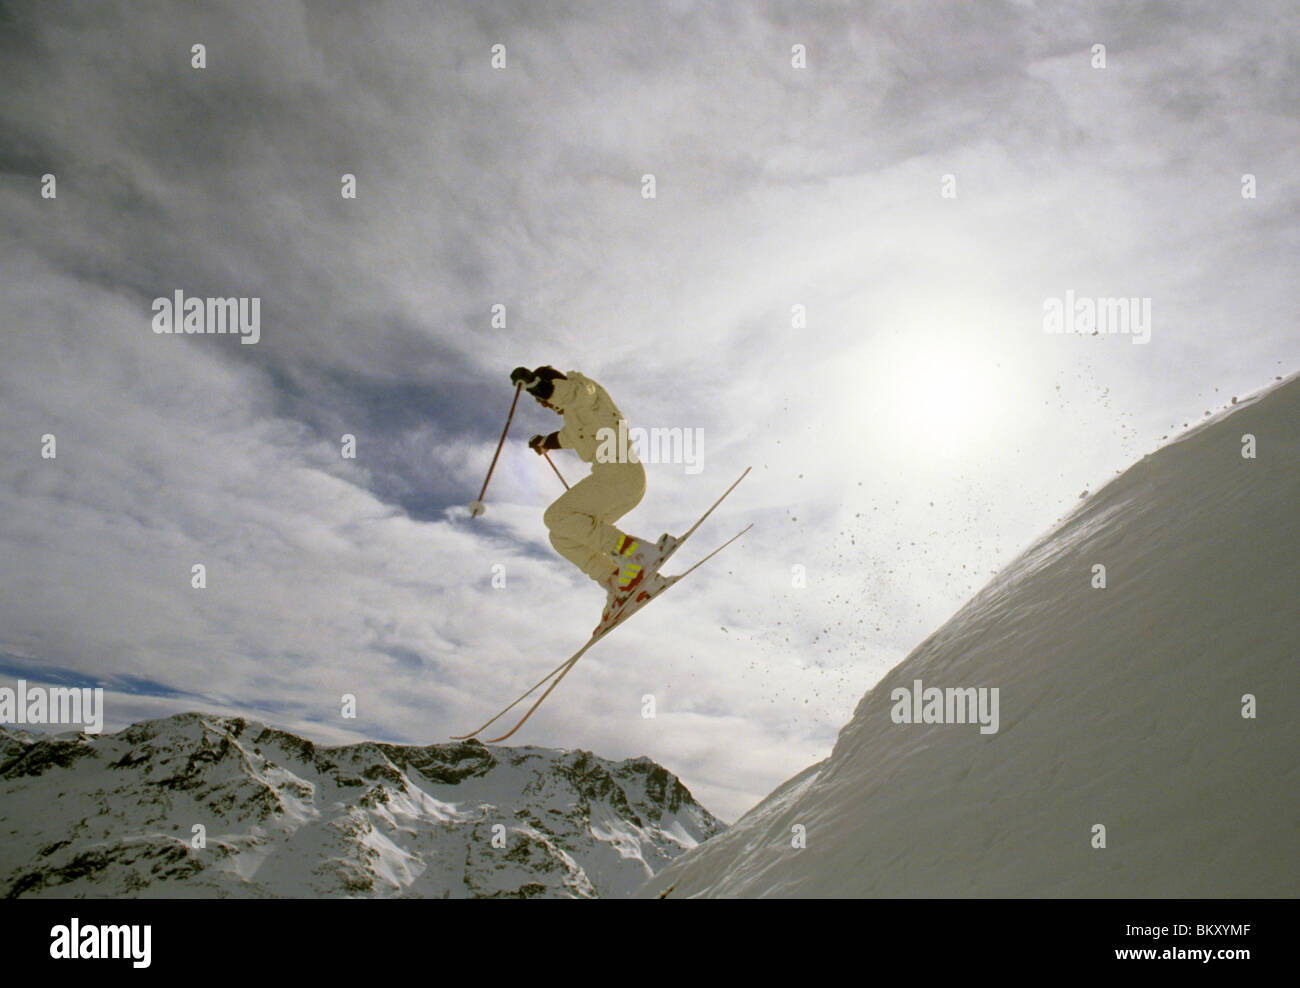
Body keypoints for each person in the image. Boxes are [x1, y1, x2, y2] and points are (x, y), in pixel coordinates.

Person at [510, 365, 667, 609]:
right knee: (561, 536)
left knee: (555, 516)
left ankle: (634, 554)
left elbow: (573, 394)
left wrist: (535, 385)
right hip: (617, 482)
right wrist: (544, 442)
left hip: (620, 473)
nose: (544, 405)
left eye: (542, 399)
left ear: (553, 385)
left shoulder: (586, 392)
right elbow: (565, 437)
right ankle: (616, 581)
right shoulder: (575, 419)